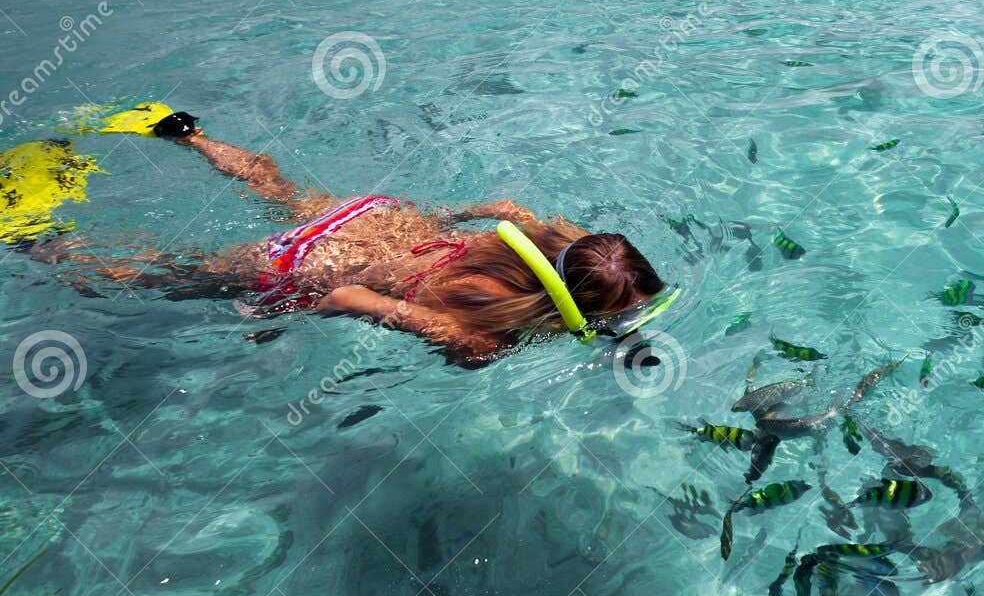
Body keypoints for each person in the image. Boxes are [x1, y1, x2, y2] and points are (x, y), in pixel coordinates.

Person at [41, 111, 668, 361]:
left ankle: (188, 134)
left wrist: (451, 217)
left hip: (377, 220)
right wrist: (277, 315)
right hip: (309, 263)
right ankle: (39, 245)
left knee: (277, 186)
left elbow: (500, 206)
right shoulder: (486, 331)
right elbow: (345, 299)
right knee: (164, 276)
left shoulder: (553, 238)